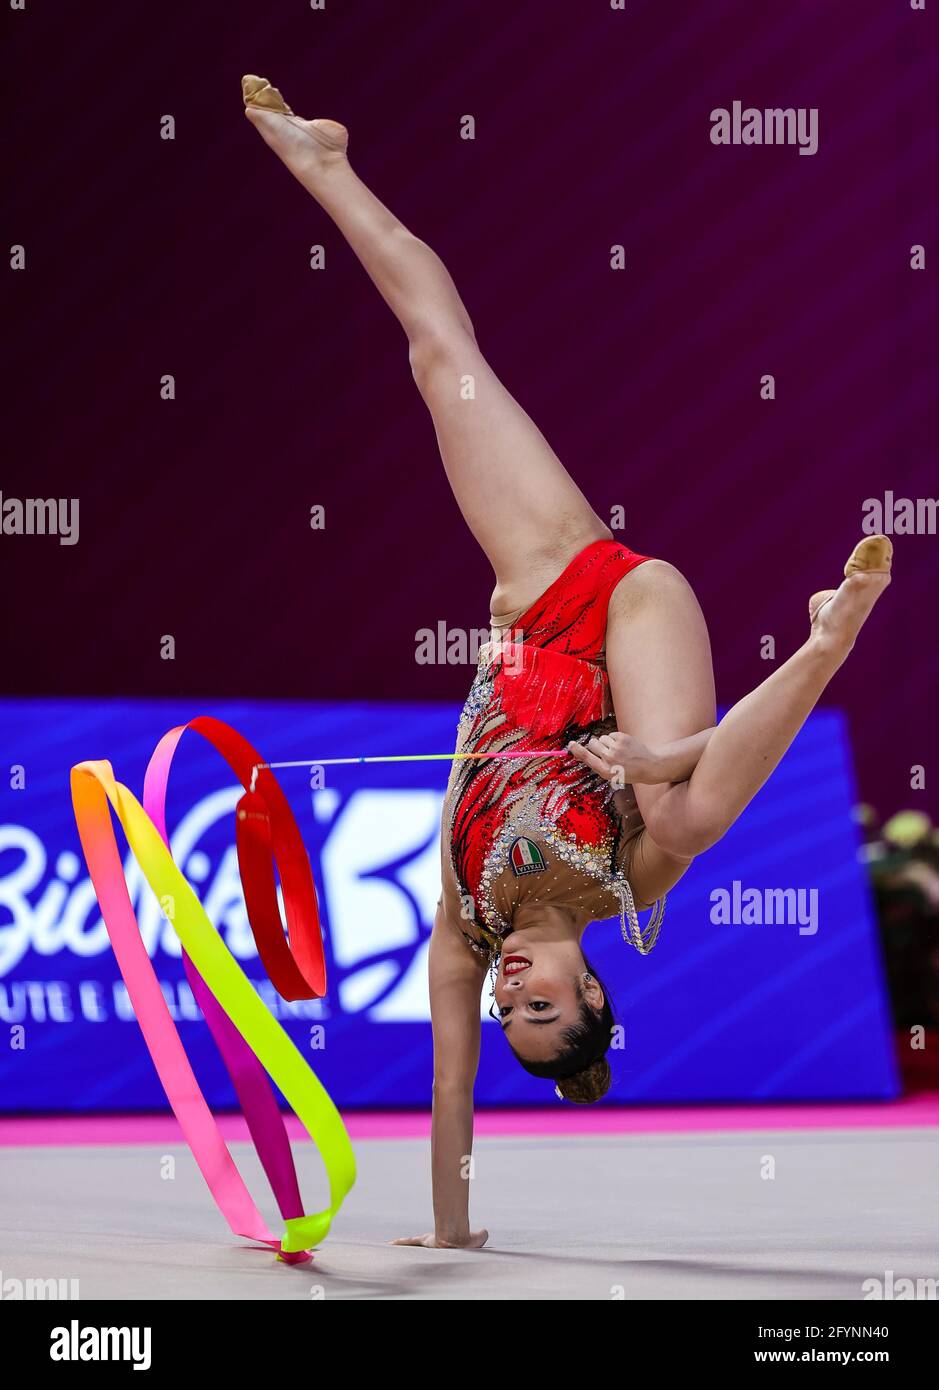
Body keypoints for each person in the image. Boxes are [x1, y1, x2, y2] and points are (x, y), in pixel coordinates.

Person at [242, 76, 893, 1248]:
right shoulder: (629, 887)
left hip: (538, 590)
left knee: (442, 360)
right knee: (679, 813)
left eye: (510, 1009)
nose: (511, 992)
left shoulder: (459, 926)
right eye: (542, 1003)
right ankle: (826, 643)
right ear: (593, 991)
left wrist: (450, 1231)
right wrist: (662, 751)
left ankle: (322, 160)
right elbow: (699, 781)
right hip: (629, 606)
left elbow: (450, 1099)